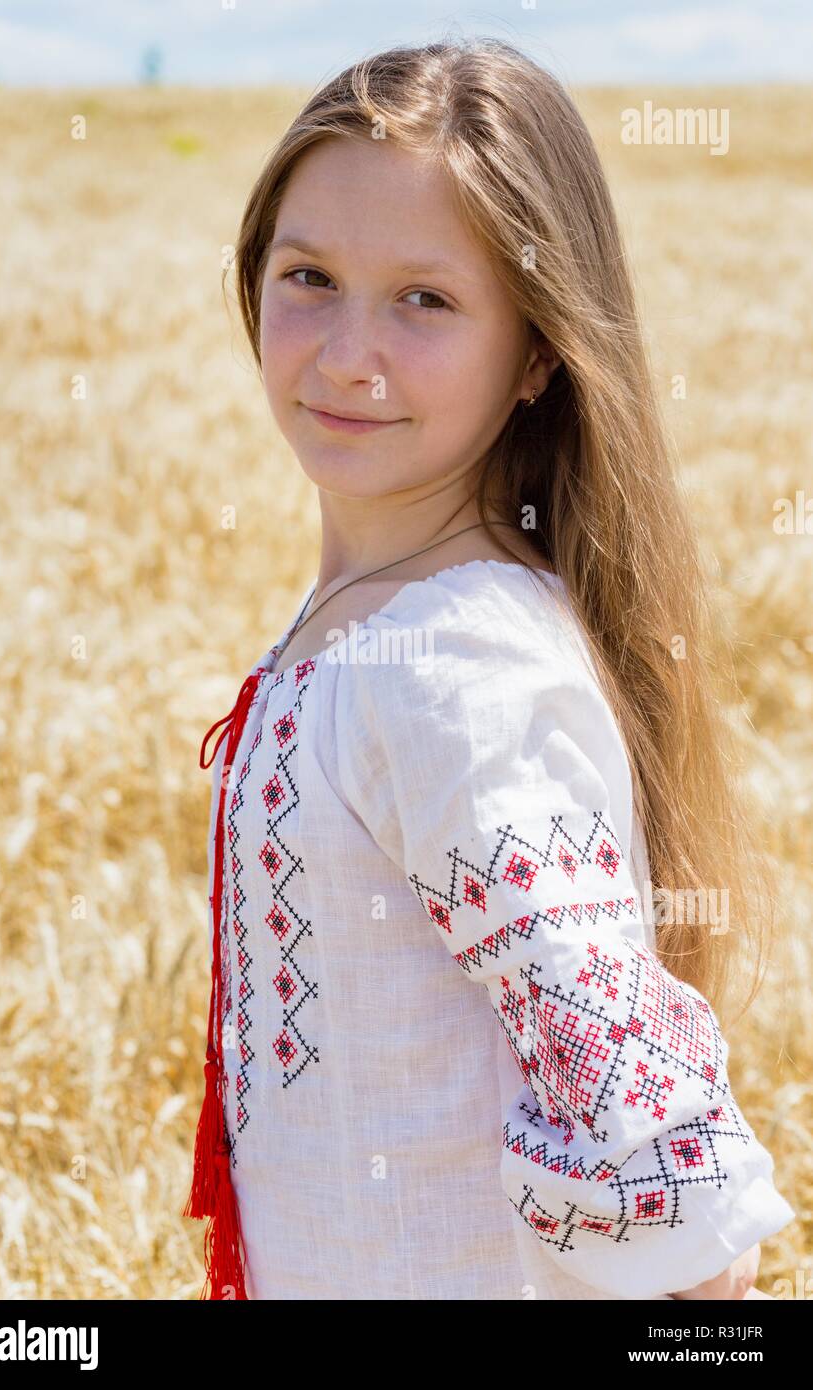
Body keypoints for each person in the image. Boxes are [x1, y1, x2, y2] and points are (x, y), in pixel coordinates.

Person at [183, 36, 796, 1300]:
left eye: (426, 300)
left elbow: (663, 1179)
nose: (348, 353)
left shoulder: (453, 670)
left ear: (535, 354)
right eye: (309, 277)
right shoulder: (361, 618)